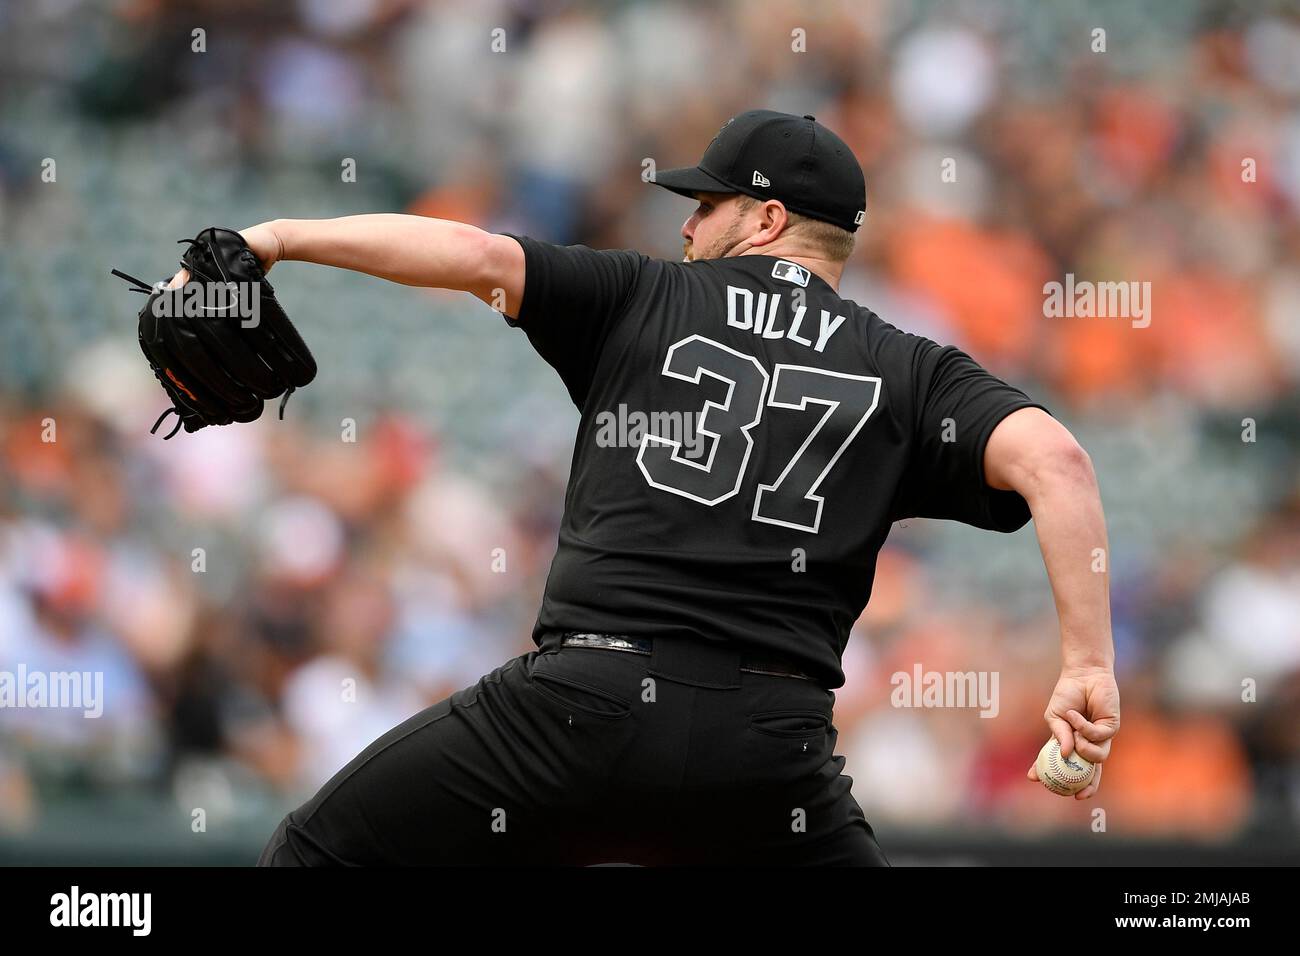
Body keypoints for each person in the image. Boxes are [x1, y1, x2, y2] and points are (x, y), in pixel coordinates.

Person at [227, 109, 1119, 865]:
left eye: (706, 205)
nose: (688, 227)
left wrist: (277, 240)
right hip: (769, 757)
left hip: (577, 713)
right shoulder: (911, 368)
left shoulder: (640, 296)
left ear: (765, 218)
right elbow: (1059, 464)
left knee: (312, 857)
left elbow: (470, 252)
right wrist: (1085, 663)